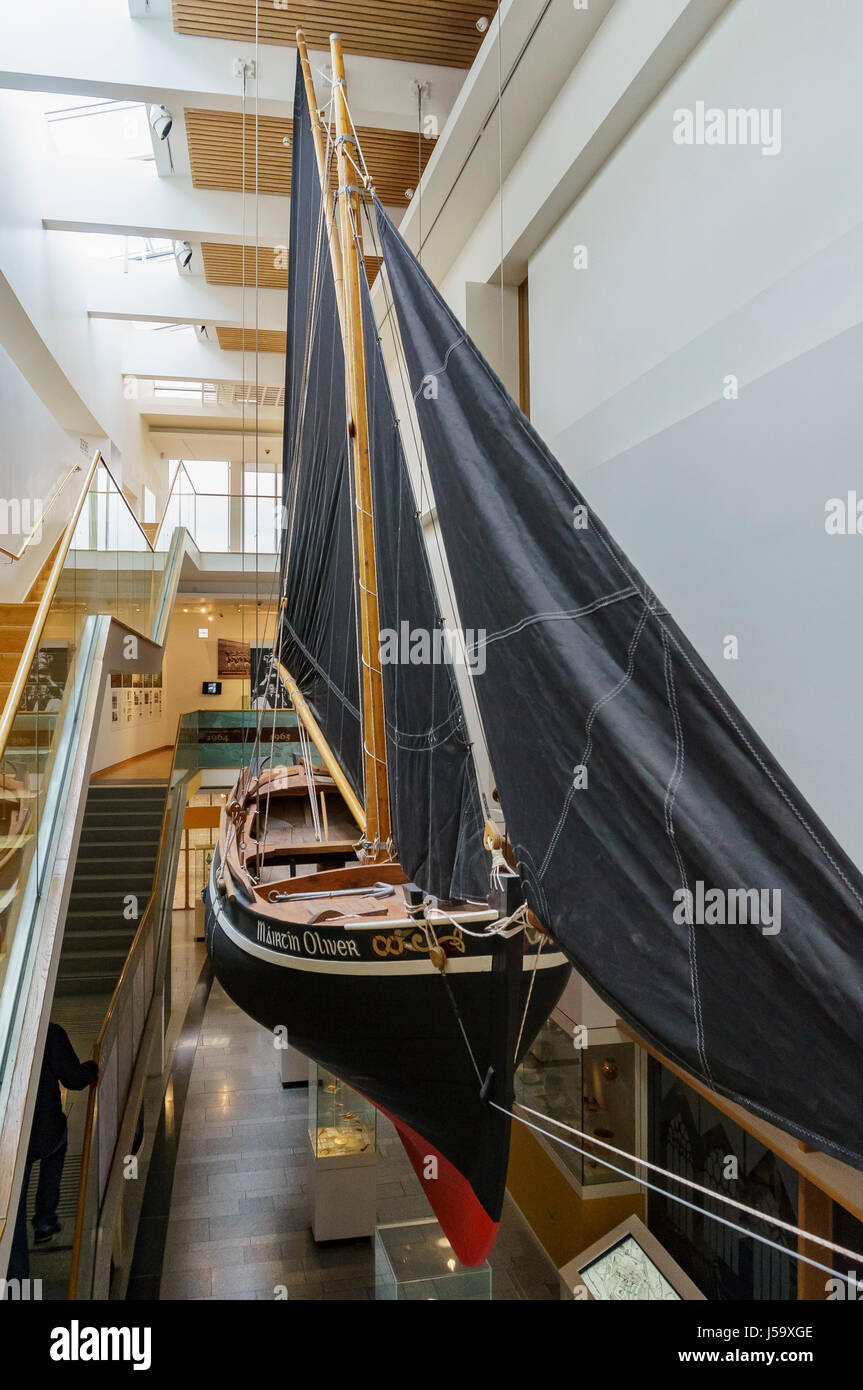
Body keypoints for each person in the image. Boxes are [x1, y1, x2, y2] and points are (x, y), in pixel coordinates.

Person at [6, 1023, 99, 1281]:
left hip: (10, 1137)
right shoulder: (49, 1033)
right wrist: (92, 1069)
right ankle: (45, 1220)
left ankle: (17, 1277)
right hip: (45, 1130)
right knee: (57, 1147)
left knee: (13, 1207)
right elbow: (74, 1079)